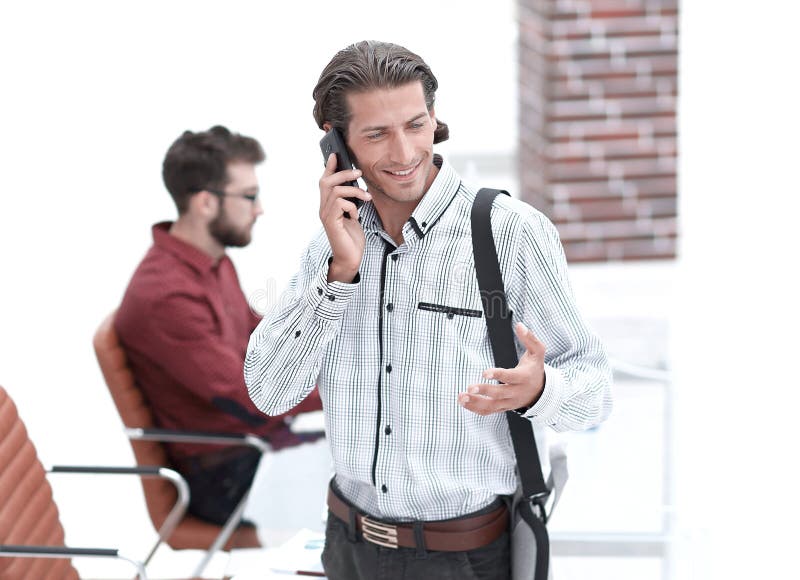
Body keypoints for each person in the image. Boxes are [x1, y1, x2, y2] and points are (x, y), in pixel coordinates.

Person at [244, 41, 613, 579]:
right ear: (334, 140)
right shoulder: (330, 247)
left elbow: (596, 391)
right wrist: (339, 276)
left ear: (434, 118)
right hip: (346, 547)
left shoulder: (510, 233)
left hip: (462, 556)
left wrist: (538, 391)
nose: (403, 152)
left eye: (415, 125)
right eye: (376, 134)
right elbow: (270, 391)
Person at [115, 125, 326, 534]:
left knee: (375, 458)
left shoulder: (214, 261)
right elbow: (247, 396)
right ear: (206, 203)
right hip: (224, 475)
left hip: (254, 447)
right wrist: (344, 387)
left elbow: (262, 340)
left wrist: (333, 348)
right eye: (248, 196)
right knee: (368, 493)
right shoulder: (166, 294)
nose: (259, 208)